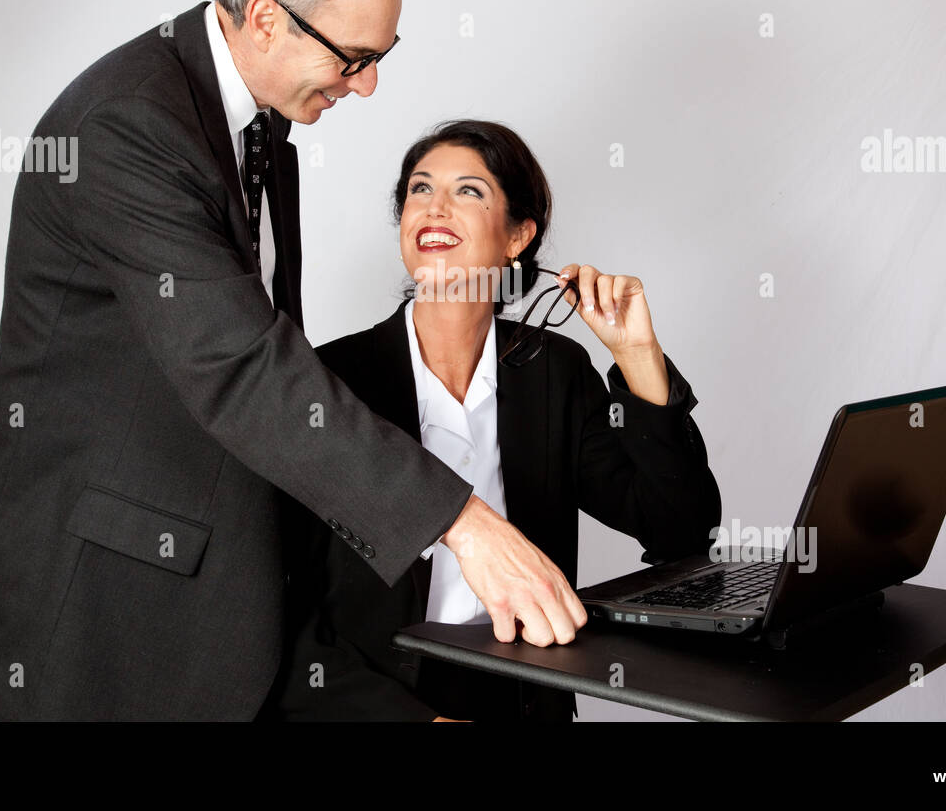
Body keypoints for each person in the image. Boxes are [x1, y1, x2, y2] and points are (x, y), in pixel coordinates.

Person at [0, 0, 585, 721]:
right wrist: (459, 520)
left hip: (208, 594)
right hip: (94, 601)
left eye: (381, 58)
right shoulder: (124, 128)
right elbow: (242, 362)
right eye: (353, 58)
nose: (366, 88)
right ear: (265, 17)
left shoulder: (261, 127)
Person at [269, 120, 722, 721]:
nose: (434, 208)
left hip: (521, 694)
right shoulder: (327, 379)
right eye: (419, 190)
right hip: (374, 700)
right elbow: (278, 609)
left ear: (518, 237)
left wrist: (636, 355)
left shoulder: (552, 368)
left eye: (468, 192)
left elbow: (679, 531)